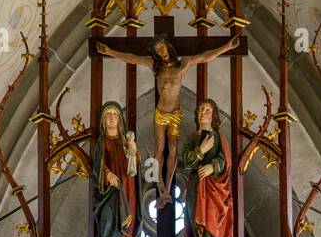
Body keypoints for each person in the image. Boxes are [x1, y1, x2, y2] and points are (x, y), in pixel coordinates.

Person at [97, 32, 239, 205]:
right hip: (160, 113)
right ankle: (160, 187)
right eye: (157, 49)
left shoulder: (183, 64)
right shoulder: (155, 67)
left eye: (162, 46)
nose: (161, 51)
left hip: (175, 115)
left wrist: (227, 47)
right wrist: (110, 52)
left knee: (173, 150)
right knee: (159, 149)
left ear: (168, 46)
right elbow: (132, 58)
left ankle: (167, 189)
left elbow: (203, 57)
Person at [182, 98, 234, 237]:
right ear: (196, 115)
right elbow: (186, 160)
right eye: (201, 110)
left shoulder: (219, 138)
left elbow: (225, 160)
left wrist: (212, 167)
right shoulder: (191, 137)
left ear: (214, 116)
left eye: (207, 110)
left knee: (212, 215)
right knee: (196, 216)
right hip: (196, 186)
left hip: (214, 187)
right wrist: (201, 150)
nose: (203, 113)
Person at [92, 101, 142, 237]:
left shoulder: (126, 141)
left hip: (128, 189)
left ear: (120, 119)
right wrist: (107, 174)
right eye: (108, 115)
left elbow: (135, 168)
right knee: (108, 218)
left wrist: (133, 152)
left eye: (115, 115)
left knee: (130, 218)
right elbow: (98, 165)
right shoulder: (102, 142)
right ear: (103, 120)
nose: (112, 118)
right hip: (110, 192)